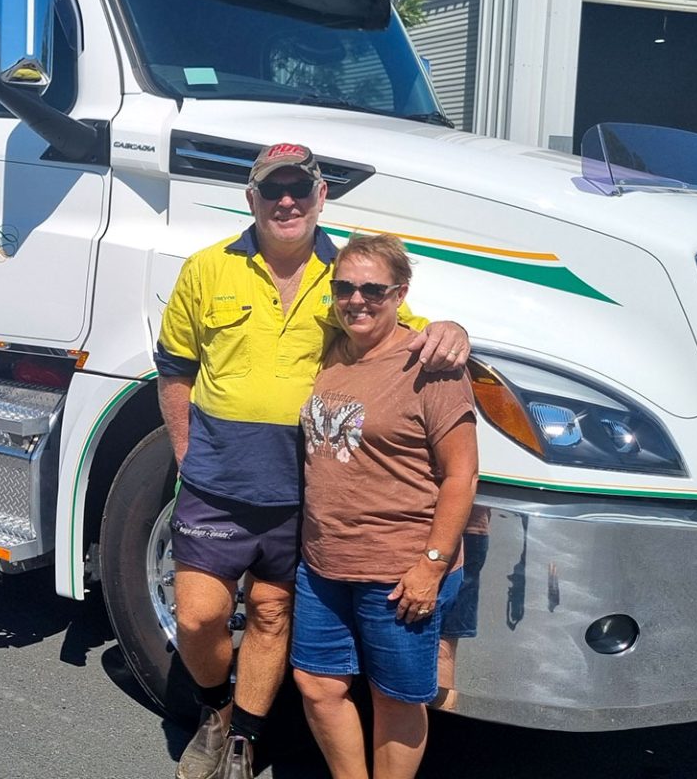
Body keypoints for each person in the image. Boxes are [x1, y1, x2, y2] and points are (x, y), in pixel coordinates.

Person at [155, 144, 470, 779]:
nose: (287, 201)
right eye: (273, 190)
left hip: (300, 492)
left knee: (271, 615)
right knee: (199, 614)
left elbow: (400, 330)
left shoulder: (343, 276)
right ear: (252, 199)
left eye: (300, 188)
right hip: (217, 484)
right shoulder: (206, 268)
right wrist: (187, 453)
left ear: (321, 196)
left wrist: (453, 330)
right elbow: (175, 368)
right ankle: (214, 709)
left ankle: (243, 739)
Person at [292, 233, 479, 779]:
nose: (357, 300)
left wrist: (431, 566)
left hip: (399, 568)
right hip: (323, 563)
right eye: (345, 287)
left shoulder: (431, 366)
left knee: (395, 698)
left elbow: (462, 475)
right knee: (316, 683)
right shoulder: (331, 352)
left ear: (400, 294)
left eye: (373, 289)